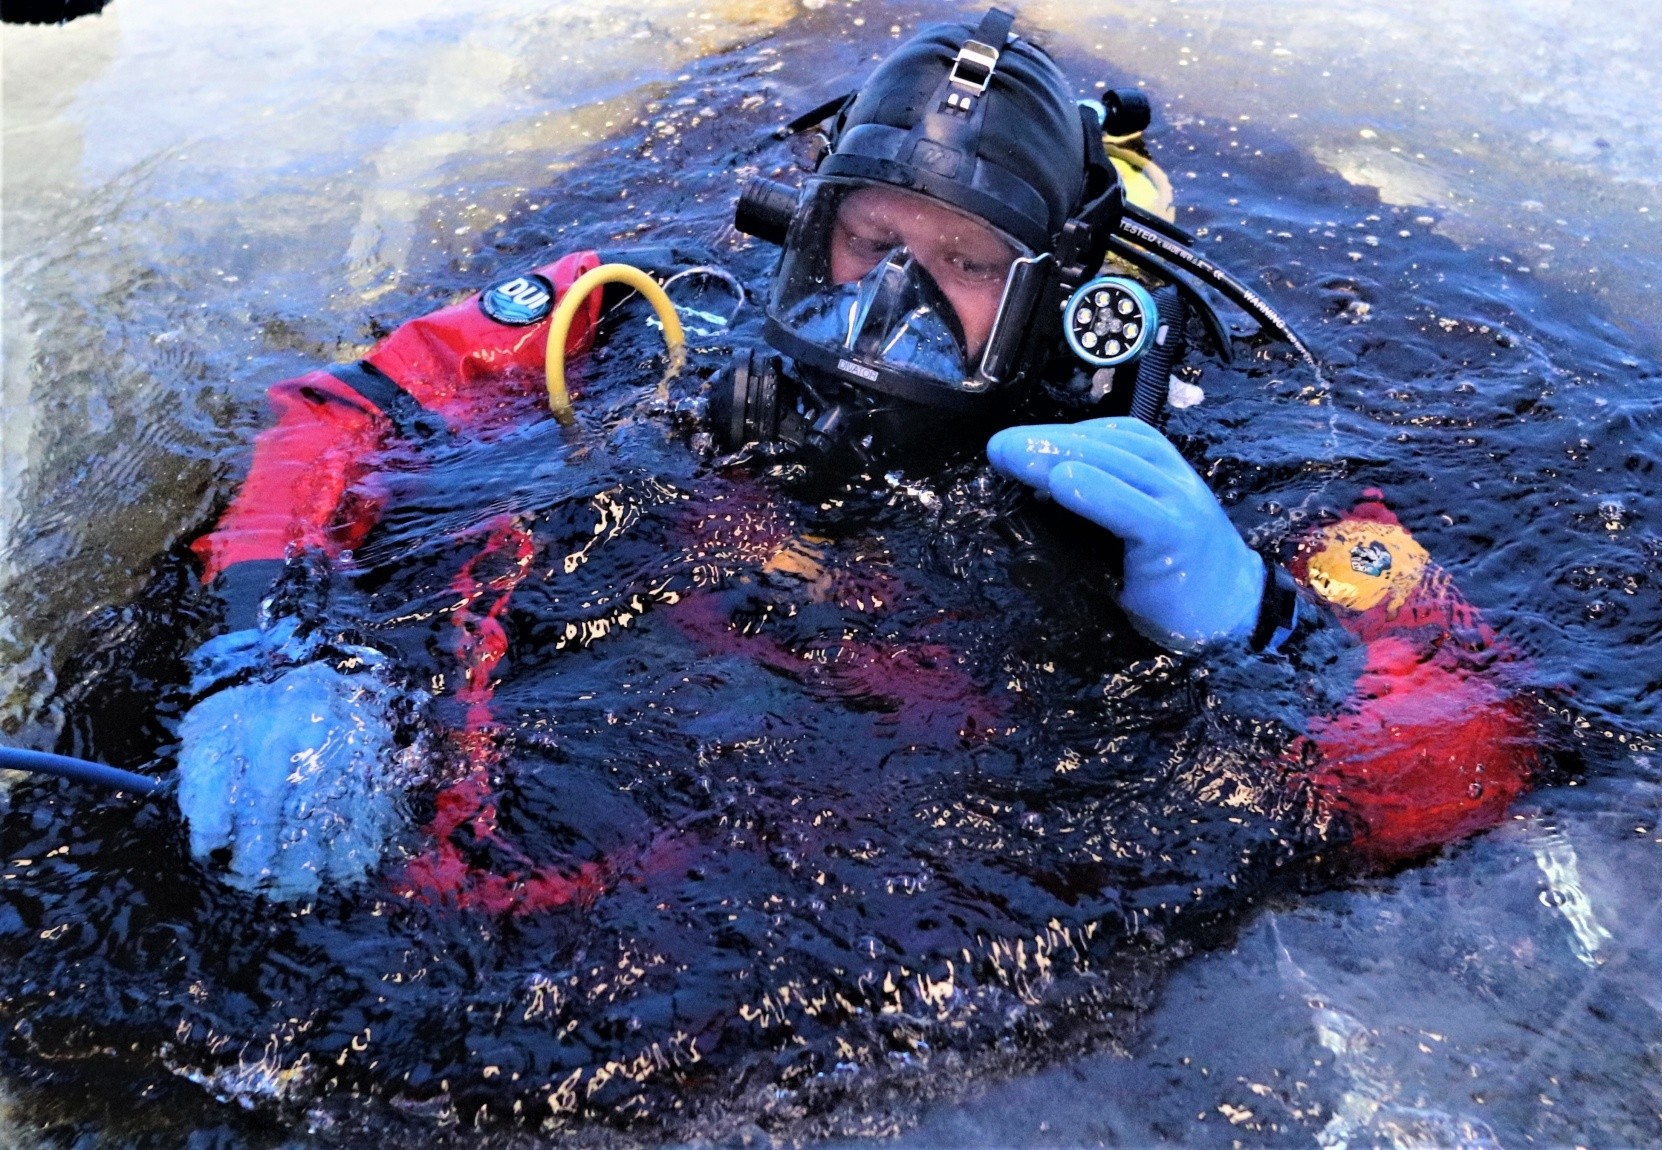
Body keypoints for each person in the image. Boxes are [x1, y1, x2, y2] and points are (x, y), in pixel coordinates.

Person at [165, 7, 1538, 1115]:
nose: (895, 298)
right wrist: (268, 637)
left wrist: (1265, 629)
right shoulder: (651, 315)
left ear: (1059, 291)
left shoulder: (1213, 455)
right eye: (873, 241)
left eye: (967, 265)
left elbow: (1472, 758)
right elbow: (343, 415)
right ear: (809, 223)